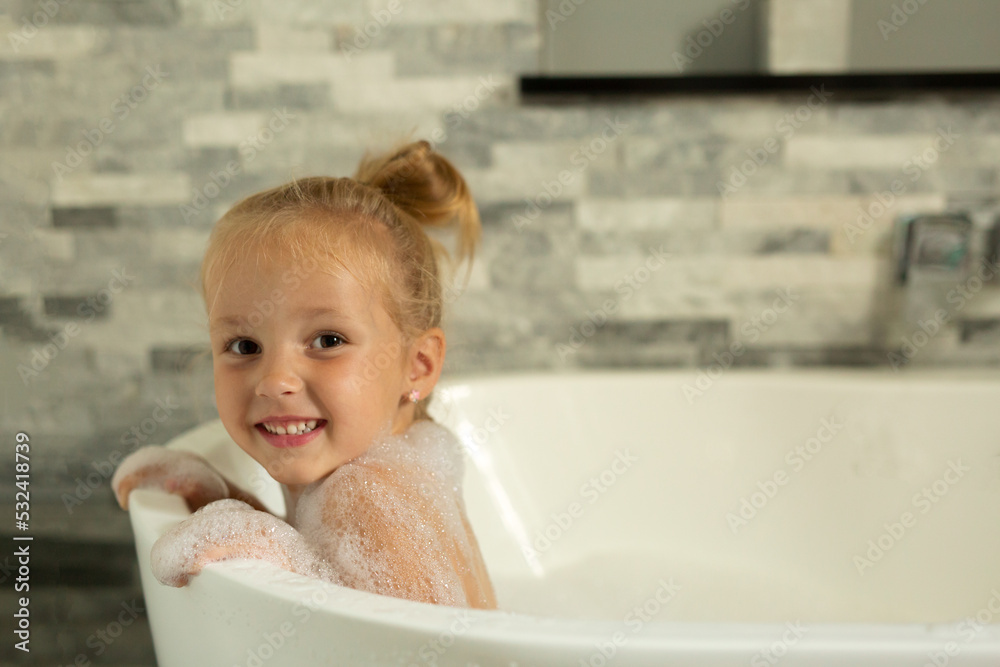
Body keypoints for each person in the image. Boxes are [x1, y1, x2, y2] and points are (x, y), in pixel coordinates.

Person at [111, 140, 497, 610]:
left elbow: (420, 649)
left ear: (418, 365)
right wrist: (224, 498)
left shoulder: (366, 495)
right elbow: (345, 581)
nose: (275, 380)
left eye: (328, 341)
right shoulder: (384, 472)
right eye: (244, 346)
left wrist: (271, 546)